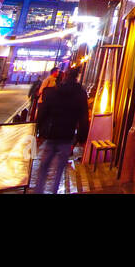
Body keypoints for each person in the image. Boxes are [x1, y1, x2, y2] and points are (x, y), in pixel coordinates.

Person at [33, 65, 91, 194]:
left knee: (44, 167)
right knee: (59, 169)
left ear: (65, 76)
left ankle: (38, 191)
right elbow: (83, 118)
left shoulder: (56, 90)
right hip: (67, 135)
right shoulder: (80, 94)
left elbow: (44, 111)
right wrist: (81, 138)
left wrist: (39, 130)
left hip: (52, 134)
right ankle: (53, 191)